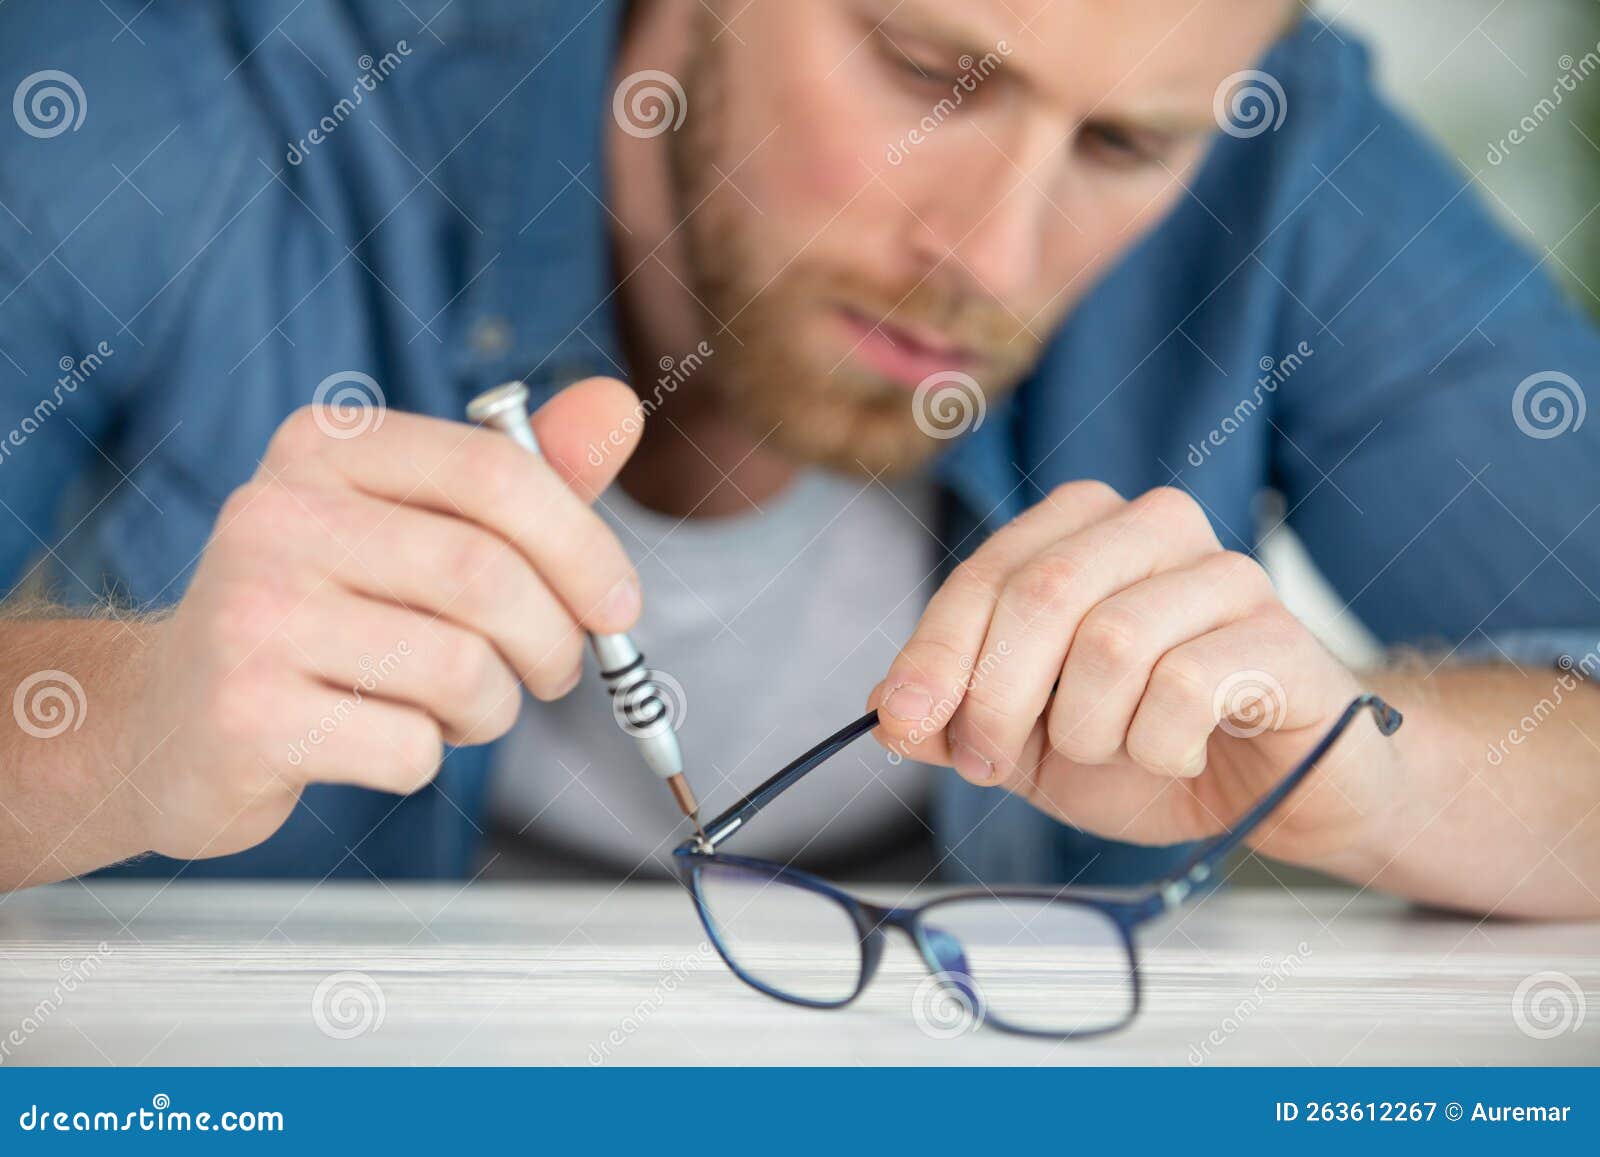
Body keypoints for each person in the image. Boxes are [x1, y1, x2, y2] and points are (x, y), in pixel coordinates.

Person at [0, 0, 1596, 917]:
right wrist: (125, 728)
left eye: (1124, 145)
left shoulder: (1279, 146)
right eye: (927, 72)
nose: (990, 256)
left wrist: (1377, 780)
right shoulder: (190, 86)